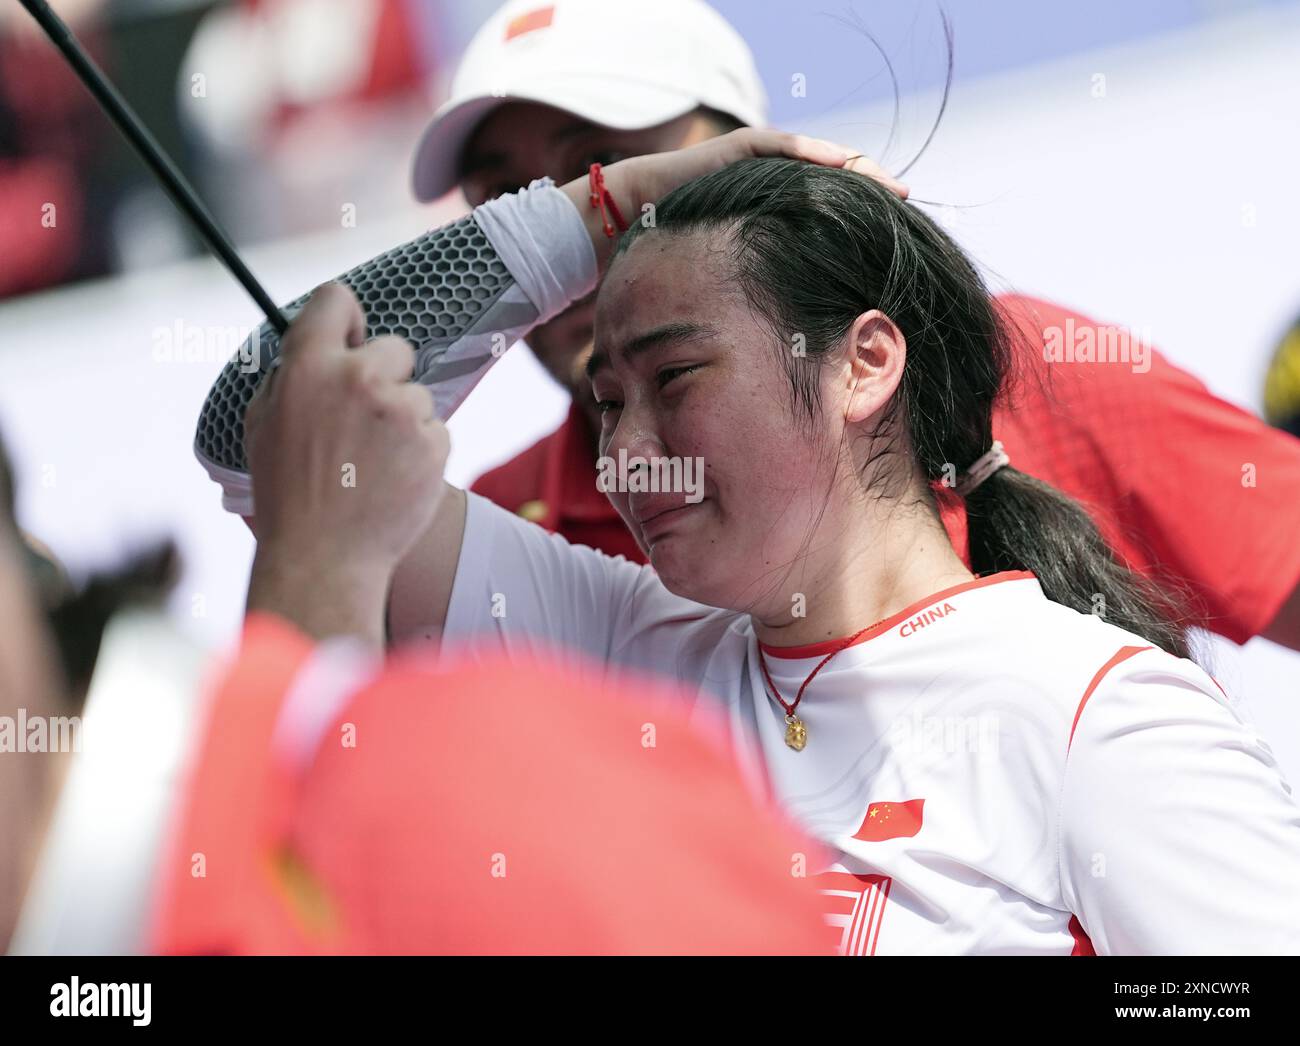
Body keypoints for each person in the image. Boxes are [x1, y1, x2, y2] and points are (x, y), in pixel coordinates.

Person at [233, 137, 1300, 954]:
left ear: (862, 364)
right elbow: (266, 422)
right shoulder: (613, 641)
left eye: (676, 378)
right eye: (606, 403)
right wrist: (601, 207)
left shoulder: (1095, 713)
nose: (627, 455)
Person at [406, 0, 1300, 650]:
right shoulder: (496, 529)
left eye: (605, 169)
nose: (580, 232)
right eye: (507, 208)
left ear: (744, 162)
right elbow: (274, 417)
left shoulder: (1032, 371)